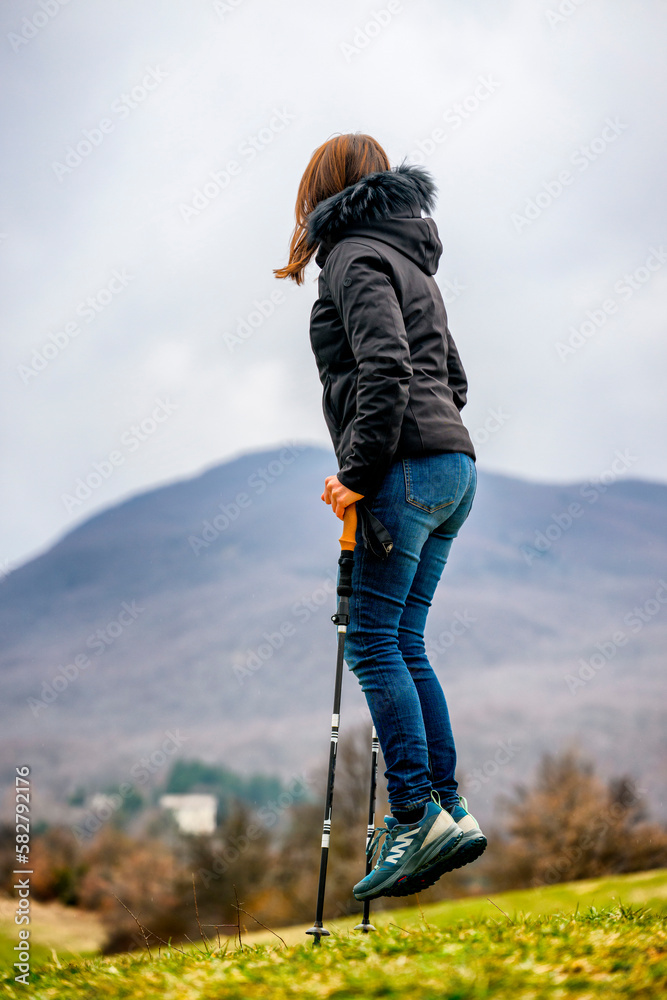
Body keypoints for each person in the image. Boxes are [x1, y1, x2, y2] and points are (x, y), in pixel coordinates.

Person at [274, 133, 486, 901]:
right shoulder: (410, 260)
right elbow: (452, 380)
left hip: (404, 471)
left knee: (370, 641)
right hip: (452, 468)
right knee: (403, 641)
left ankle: (414, 815)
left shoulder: (352, 256)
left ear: (322, 191)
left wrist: (357, 475)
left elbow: (386, 367)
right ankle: (447, 810)